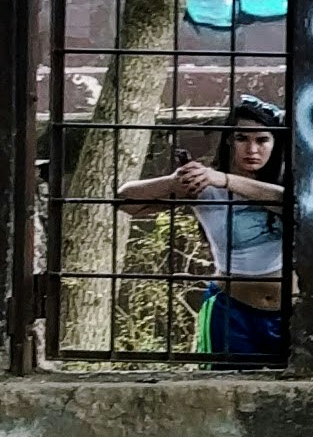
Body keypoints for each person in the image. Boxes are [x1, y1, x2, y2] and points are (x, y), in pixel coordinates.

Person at [116, 96, 289, 358]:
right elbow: (124, 201)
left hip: (290, 314)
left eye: (262, 140)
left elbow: (292, 205)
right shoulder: (206, 187)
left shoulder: (285, 182)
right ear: (229, 140)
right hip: (232, 313)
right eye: (242, 138)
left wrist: (225, 179)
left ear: (275, 142)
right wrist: (175, 182)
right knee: (226, 392)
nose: (252, 149)